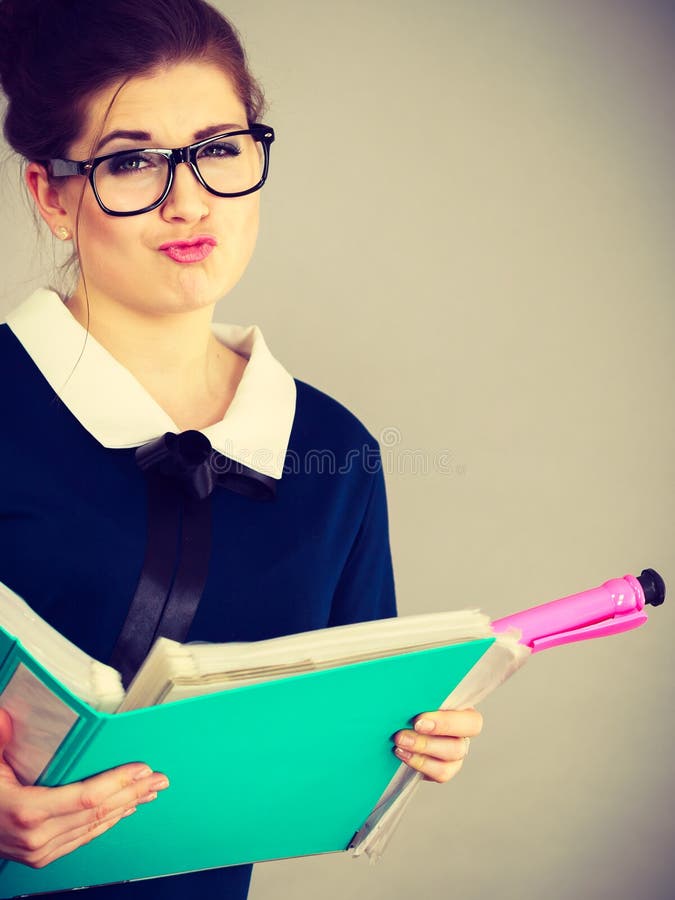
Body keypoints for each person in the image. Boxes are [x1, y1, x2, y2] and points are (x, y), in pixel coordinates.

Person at [0, 1, 483, 897]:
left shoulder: (332, 451)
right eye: (131, 161)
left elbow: (340, 734)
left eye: (219, 149)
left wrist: (411, 740)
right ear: (52, 195)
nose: (188, 201)